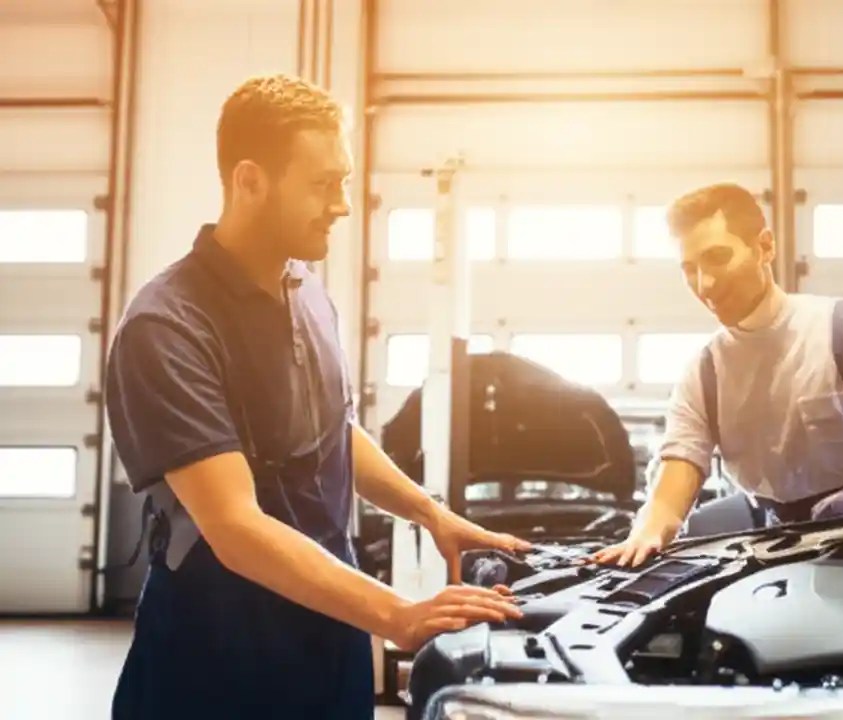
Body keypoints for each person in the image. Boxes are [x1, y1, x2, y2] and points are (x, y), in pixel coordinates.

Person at [104, 74, 529, 719]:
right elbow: (234, 528)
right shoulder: (167, 327)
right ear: (249, 181)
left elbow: (333, 433)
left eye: (345, 182)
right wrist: (396, 613)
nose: (343, 205)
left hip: (329, 625)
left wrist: (426, 512)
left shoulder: (306, 291)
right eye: (323, 184)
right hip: (218, 650)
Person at [591, 183, 843, 567]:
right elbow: (678, 470)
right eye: (690, 268)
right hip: (773, 552)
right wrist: (648, 529)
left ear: (765, 247)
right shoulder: (704, 372)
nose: (705, 284)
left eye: (718, 257)